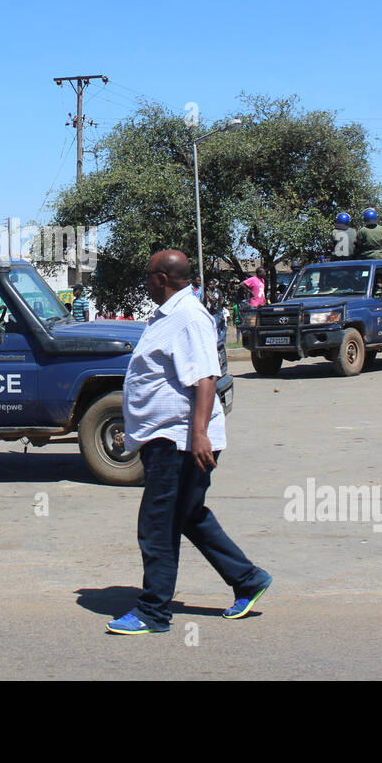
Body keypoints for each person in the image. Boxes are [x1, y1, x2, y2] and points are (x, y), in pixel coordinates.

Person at [106, 250, 271, 635]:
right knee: (188, 515)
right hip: (169, 438)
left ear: (162, 278)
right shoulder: (170, 314)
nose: (145, 282)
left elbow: (205, 378)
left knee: (157, 523)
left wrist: (198, 434)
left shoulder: (188, 316)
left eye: (147, 275)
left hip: (179, 440)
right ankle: (248, 580)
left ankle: (154, 611)